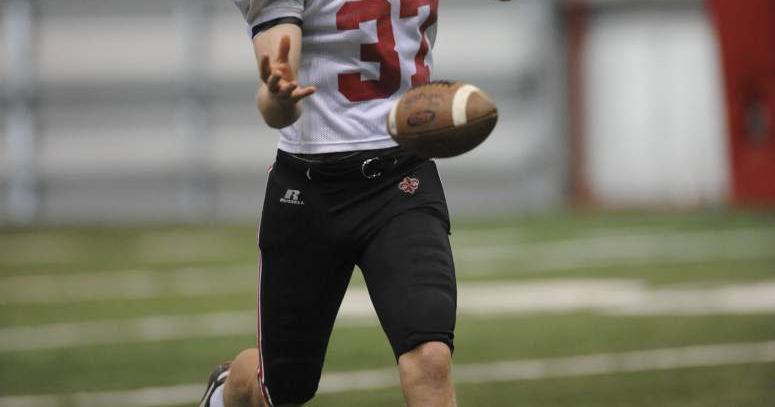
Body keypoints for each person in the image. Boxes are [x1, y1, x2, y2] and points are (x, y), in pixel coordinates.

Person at [200, 1, 458, 406]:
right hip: (309, 190)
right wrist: (280, 95)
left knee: (430, 357)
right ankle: (229, 388)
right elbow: (277, 103)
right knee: (282, 391)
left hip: (401, 179)